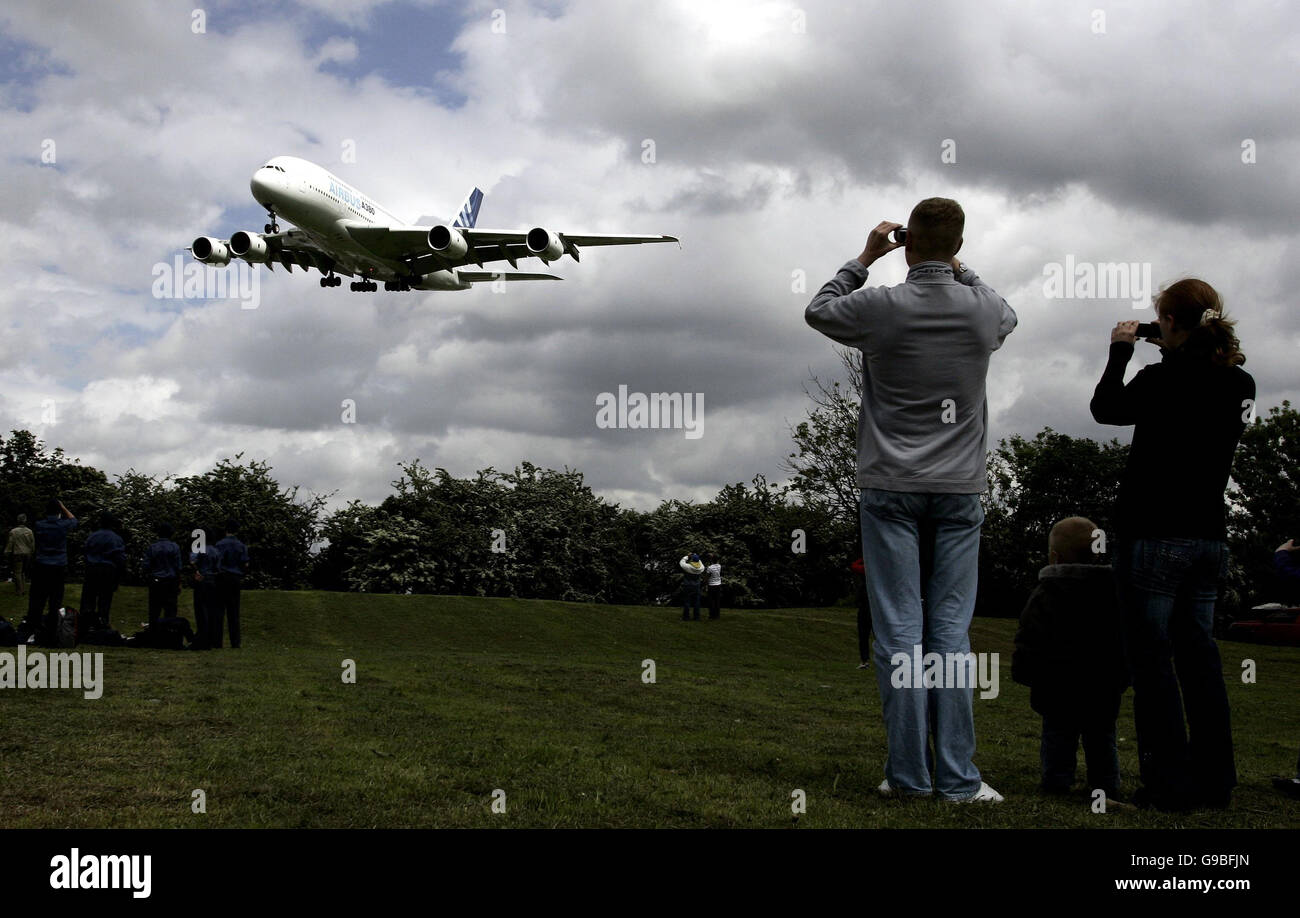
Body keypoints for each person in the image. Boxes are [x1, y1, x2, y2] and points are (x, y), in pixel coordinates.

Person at [805, 198, 1016, 802]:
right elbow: (1008, 313)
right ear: (957, 245)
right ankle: (957, 778)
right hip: (959, 489)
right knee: (951, 630)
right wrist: (957, 266)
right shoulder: (982, 312)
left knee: (899, 629)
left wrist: (867, 257)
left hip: (890, 485)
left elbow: (818, 310)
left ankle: (908, 776)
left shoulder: (881, 306)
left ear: (908, 243)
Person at [1091, 278, 1255, 812]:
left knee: (1153, 663)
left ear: (1172, 323)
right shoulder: (1240, 383)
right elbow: (1202, 383)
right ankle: (1215, 782)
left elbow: (1106, 408)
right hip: (1210, 535)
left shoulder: (1160, 379)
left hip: (1155, 531)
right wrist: (1169, 339)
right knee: (1200, 660)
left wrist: (1121, 350)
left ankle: (1167, 786)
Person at [1012, 517, 1128, 803]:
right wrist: (1124, 677)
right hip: (1103, 684)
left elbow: (1030, 636)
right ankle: (1106, 783)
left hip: (1055, 683)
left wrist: (1024, 670)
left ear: (1053, 556)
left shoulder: (1046, 593)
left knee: (1057, 733)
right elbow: (1124, 639)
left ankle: (1056, 781)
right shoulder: (1114, 593)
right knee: (1101, 735)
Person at [23, 498, 77, 637]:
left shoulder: (40, 525)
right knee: (55, 600)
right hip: (58, 566)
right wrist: (63, 507)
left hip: (41, 565)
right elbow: (73, 520)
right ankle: (52, 629)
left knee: (37, 599)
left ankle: (32, 627)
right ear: (59, 511)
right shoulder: (63, 525)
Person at [80, 512, 127, 634]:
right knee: (105, 599)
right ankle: (102, 623)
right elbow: (120, 558)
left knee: (89, 598)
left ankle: (86, 624)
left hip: (92, 569)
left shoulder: (92, 536)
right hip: (107, 570)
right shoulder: (116, 538)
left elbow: (85, 552)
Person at [213, 520, 249, 648]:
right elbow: (245, 564)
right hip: (235, 578)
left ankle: (217, 641)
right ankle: (235, 642)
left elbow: (216, 562)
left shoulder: (219, 544)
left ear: (226, 529)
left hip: (222, 577)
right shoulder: (241, 546)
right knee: (234, 611)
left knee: (219, 611)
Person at [144, 522, 182, 625]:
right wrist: (178, 582)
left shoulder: (152, 547)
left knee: (154, 611)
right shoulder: (175, 547)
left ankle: (153, 635)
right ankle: (169, 636)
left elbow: (146, 565)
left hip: (156, 581)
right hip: (170, 581)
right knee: (170, 611)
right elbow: (177, 567)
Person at [189, 527, 220, 650]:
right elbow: (218, 568)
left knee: (201, 610)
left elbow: (192, 560)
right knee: (211, 610)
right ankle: (211, 638)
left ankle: (202, 638)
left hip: (202, 579)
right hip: (212, 580)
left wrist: (196, 570)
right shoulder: (216, 551)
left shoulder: (200, 548)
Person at [6, 513, 34, 595]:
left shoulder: (13, 531)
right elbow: (32, 543)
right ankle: (23, 589)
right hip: (27, 553)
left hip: (18, 553)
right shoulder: (29, 531)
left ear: (18, 520)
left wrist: (7, 551)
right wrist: (32, 552)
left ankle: (19, 590)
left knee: (17, 572)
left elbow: (10, 542)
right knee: (23, 572)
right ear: (25, 520)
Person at [851, 557, 871, 668]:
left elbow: (854, 565)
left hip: (865, 606)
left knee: (863, 636)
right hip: (874, 607)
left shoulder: (867, 569)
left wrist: (863, 558)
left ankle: (865, 660)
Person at [679, 552, 704, 621]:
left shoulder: (688, 567)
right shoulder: (701, 568)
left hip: (688, 585)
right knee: (696, 601)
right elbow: (700, 562)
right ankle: (696, 617)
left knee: (687, 601)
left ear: (692, 560)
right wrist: (696, 556)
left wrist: (687, 556)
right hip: (697, 586)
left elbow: (681, 562)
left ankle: (686, 617)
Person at [704, 554, 722, 620]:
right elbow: (716, 560)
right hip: (718, 584)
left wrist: (706, 585)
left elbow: (707, 578)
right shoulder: (719, 566)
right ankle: (717, 615)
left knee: (711, 601)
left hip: (711, 585)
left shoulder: (710, 568)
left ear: (711, 560)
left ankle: (711, 615)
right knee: (717, 601)